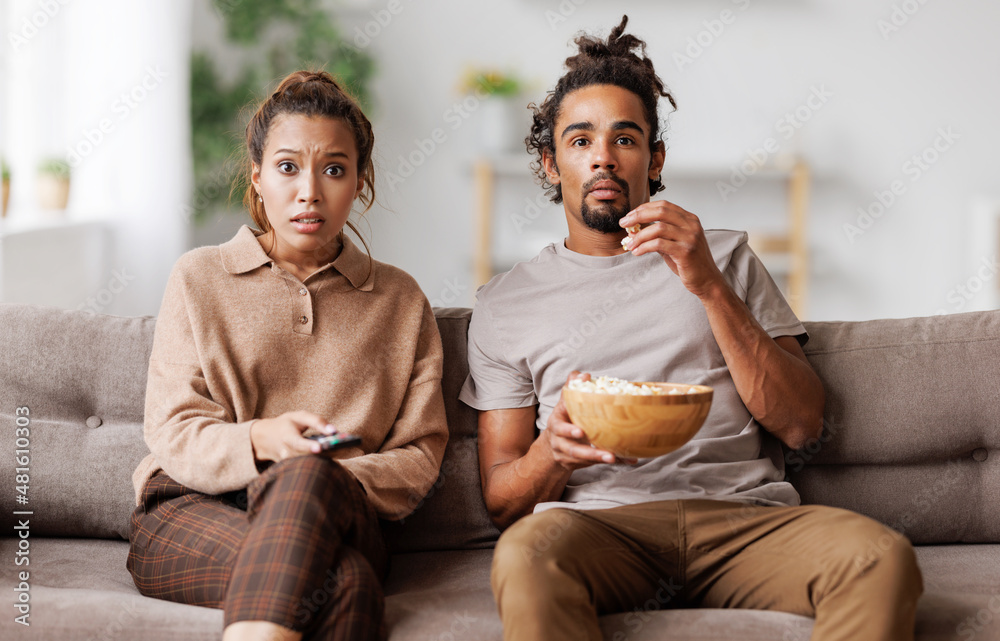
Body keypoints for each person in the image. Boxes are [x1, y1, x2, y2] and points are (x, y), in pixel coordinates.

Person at [459, 16, 923, 641]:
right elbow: (503, 499)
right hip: (597, 527)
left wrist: (705, 283)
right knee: (525, 557)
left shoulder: (723, 258)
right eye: (579, 140)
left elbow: (800, 423)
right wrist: (553, 452)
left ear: (655, 159)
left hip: (744, 519)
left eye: (625, 138)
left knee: (881, 559)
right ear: (549, 164)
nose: (602, 156)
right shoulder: (504, 303)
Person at [126, 70, 449, 641]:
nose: (309, 192)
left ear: (359, 182)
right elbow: (173, 430)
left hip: (345, 513)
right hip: (191, 508)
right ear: (257, 179)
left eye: (333, 170)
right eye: (287, 167)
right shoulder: (198, 277)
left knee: (308, 479)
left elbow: (420, 453)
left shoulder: (400, 300)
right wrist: (262, 440)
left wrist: (325, 478)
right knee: (346, 584)